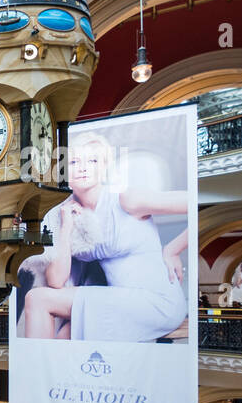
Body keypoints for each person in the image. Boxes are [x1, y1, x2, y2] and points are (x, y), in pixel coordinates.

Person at [20, 134, 190, 342]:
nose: (83, 168)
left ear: (104, 168)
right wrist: (66, 228)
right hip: (121, 300)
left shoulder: (127, 199)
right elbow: (55, 282)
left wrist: (172, 249)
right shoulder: (62, 214)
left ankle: (36, 372)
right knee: (64, 336)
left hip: (158, 301)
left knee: (37, 299)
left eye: (92, 161)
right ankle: (46, 372)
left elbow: (193, 201)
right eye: (74, 162)